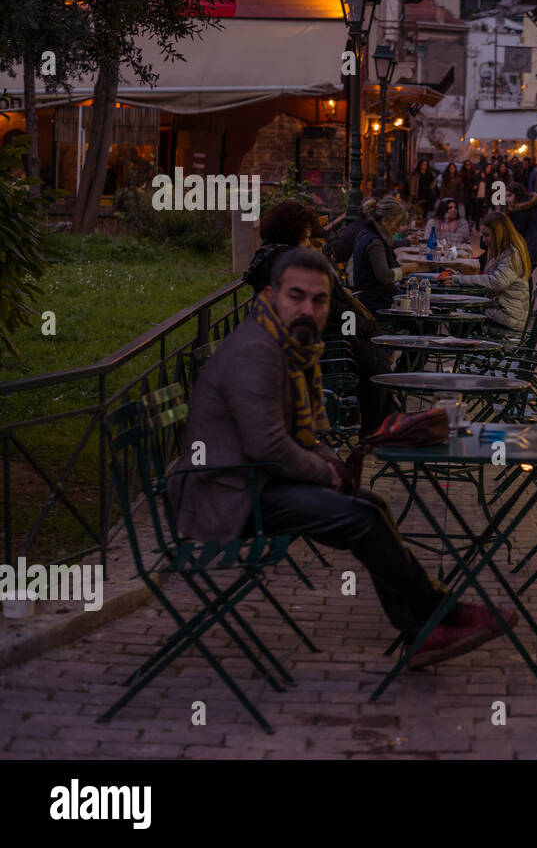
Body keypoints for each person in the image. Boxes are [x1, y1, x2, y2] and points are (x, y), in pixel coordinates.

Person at [172, 247, 514, 667]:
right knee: (362, 518)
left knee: (371, 506)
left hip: (258, 480)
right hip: (229, 496)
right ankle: (441, 615)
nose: (308, 309)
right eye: (296, 296)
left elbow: (293, 438)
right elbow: (269, 446)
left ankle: (422, 628)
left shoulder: (286, 344)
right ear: (271, 296)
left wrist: (329, 461)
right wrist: (324, 472)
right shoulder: (256, 351)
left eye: (319, 300)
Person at [244, 201, 399, 432]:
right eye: (307, 237)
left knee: (372, 354)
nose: (309, 244)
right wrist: (358, 323)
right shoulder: (287, 260)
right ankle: (381, 430)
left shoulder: (274, 256)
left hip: (323, 335)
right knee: (373, 359)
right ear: (292, 233)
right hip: (316, 344)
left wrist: (356, 323)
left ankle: (381, 427)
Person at [439, 210, 531, 333]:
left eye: (487, 235)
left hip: (506, 317)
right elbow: (490, 280)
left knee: (459, 324)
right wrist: (459, 277)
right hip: (500, 312)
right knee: (458, 320)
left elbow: (497, 282)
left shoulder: (511, 253)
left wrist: (459, 280)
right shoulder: (502, 252)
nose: (483, 240)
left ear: (499, 234)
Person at [349, 196, 423, 313]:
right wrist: (406, 269)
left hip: (370, 299)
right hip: (375, 305)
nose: (398, 229)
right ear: (384, 221)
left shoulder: (367, 233)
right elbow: (385, 276)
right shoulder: (375, 242)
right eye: (397, 224)